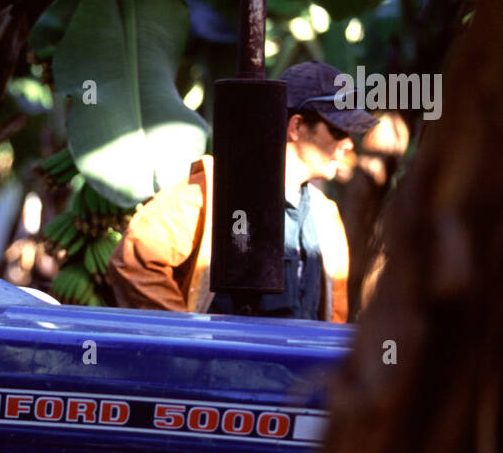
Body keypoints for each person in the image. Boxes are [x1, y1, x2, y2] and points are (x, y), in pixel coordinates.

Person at [106, 61, 378, 322]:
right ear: (296, 127)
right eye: (338, 131)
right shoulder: (213, 193)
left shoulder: (325, 215)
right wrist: (191, 341)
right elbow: (134, 261)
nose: (348, 145)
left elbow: (334, 312)